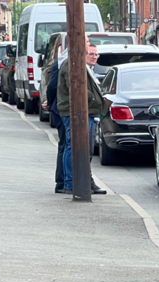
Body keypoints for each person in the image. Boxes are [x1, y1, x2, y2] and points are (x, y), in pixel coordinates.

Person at [57, 43, 107, 195]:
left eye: (96, 54)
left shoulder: (83, 66)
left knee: (84, 148)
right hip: (76, 111)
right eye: (91, 53)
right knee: (73, 146)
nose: (94, 57)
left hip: (85, 111)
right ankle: (71, 182)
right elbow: (75, 87)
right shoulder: (72, 64)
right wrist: (95, 100)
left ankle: (84, 180)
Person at [44, 44, 67, 193]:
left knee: (64, 145)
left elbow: (52, 87)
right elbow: (52, 87)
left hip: (58, 107)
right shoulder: (64, 62)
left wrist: (50, 101)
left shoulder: (62, 60)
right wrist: (51, 101)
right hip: (62, 109)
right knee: (65, 145)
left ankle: (62, 181)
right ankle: (62, 181)